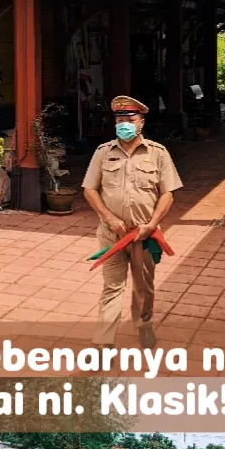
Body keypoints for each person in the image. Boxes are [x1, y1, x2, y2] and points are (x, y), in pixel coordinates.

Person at [82, 95, 182, 347]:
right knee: (112, 287)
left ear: (141, 123)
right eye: (119, 120)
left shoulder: (157, 153)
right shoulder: (103, 152)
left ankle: (144, 325)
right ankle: (104, 342)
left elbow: (168, 193)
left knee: (143, 288)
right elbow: (89, 189)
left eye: (129, 119)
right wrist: (109, 217)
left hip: (144, 236)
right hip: (111, 234)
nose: (124, 124)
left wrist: (151, 225)